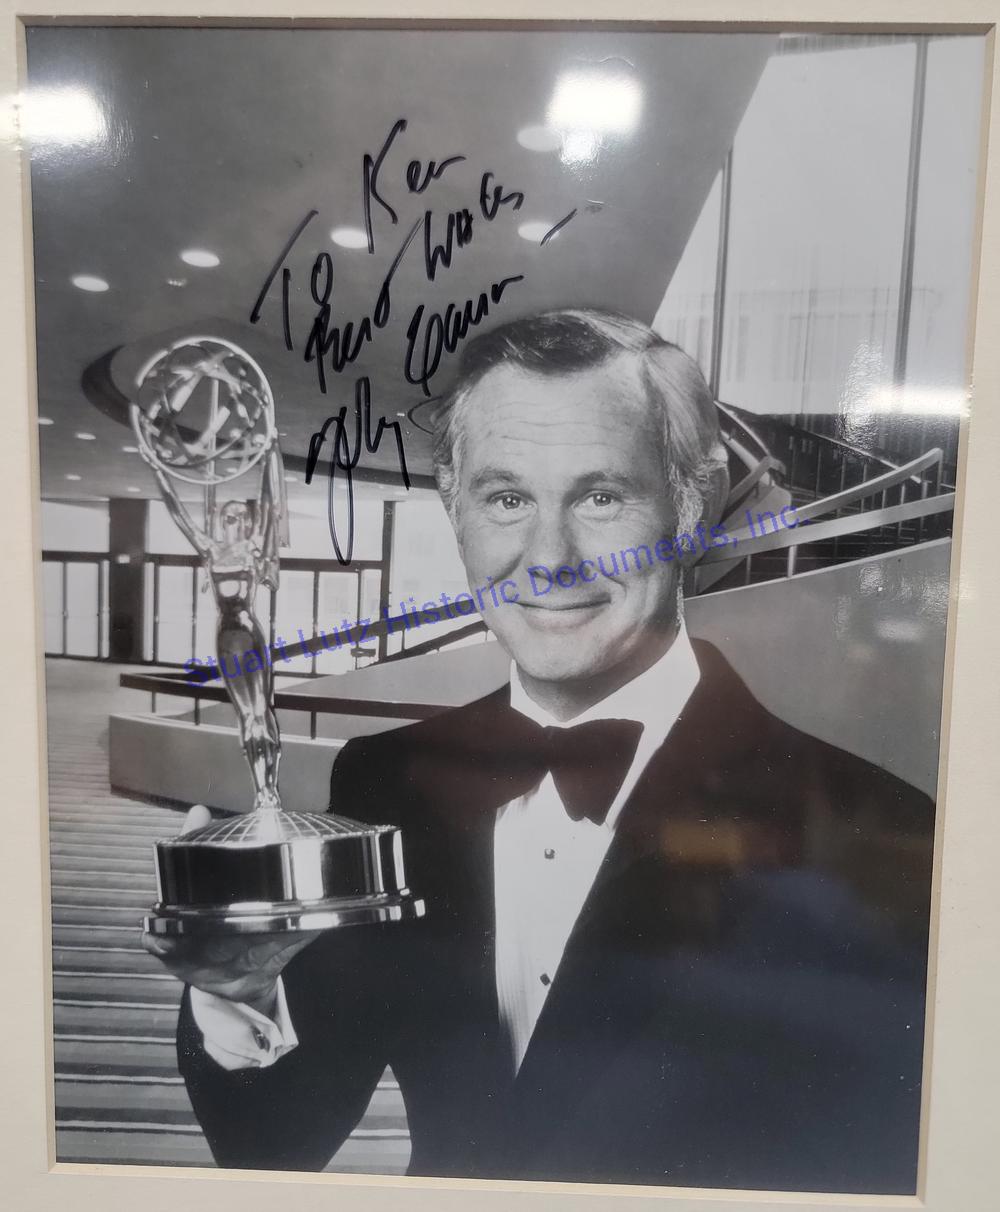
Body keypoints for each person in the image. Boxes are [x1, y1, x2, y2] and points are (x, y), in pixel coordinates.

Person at [146, 310, 933, 1193]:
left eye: (601, 496)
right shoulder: (386, 780)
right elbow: (273, 1145)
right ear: (456, 509)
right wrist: (241, 998)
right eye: (507, 498)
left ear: (695, 504)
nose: (549, 558)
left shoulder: (879, 833)